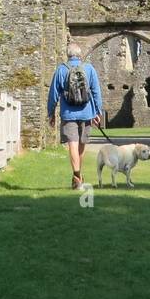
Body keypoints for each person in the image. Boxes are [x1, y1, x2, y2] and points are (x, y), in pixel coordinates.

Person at [46, 41, 103, 189]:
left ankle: (77, 176)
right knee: (81, 146)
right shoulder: (89, 68)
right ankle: (78, 176)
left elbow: (53, 94)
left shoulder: (61, 69)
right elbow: (96, 91)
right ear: (80, 54)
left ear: (68, 54)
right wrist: (98, 112)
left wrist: (51, 113)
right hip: (87, 113)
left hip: (68, 114)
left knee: (73, 145)